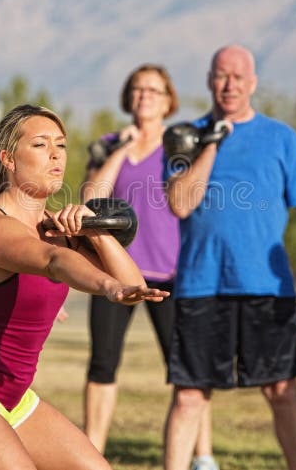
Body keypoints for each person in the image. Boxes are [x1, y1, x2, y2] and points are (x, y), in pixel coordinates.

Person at [0, 104, 170, 470]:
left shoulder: (59, 228)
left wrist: (97, 232)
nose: (56, 154)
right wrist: (106, 284)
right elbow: (53, 262)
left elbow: (132, 286)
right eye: (41, 145)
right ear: (8, 158)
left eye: (61, 145)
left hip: (13, 395)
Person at [162, 45, 296, 470]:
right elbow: (181, 204)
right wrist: (211, 145)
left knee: (282, 391)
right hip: (202, 284)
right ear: (209, 80)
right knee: (189, 395)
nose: (230, 85)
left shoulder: (281, 138)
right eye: (222, 76)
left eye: (239, 77)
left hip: (267, 285)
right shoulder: (186, 137)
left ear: (253, 83)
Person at [80, 64, 217, 470]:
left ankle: (203, 457)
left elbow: (188, 198)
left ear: (169, 99)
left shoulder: (180, 145)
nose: (145, 97)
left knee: (186, 371)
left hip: (172, 273)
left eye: (154, 91)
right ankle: (91, 453)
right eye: (138, 90)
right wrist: (122, 149)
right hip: (114, 272)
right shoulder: (108, 143)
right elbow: (91, 200)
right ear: (128, 97)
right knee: (102, 364)